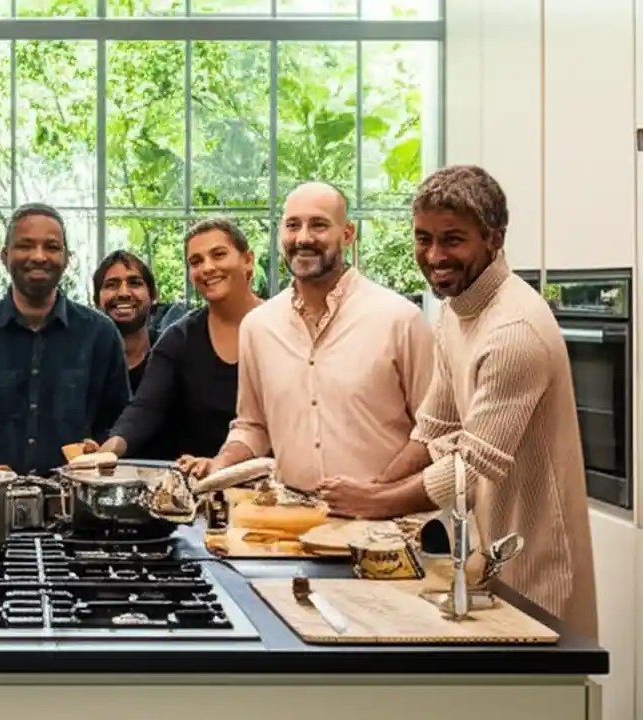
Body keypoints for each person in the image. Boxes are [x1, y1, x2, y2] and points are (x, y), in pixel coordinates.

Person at [317, 165, 598, 641]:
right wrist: (365, 497)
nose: (434, 256)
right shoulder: (456, 311)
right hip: (492, 557)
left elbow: (469, 465)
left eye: (452, 240)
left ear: (494, 238)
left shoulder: (514, 331)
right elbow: (432, 428)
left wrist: (377, 504)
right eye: (423, 239)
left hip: (541, 568)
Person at [181, 182, 434, 490]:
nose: (303, 238)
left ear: (347, 234)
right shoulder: (259, 327)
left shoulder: (399, 319)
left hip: (388, 526)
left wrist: (377, 494)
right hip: (292, 521)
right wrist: (220, 466)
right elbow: (253, 427)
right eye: (292, 226)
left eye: (318, 225)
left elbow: (433, 432)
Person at [0, 203, 130, 475]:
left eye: (51, 247)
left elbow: (117, 424)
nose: (39, 256)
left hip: (74, 503)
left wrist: (99, 450)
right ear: (4, 256)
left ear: (67, 258)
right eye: (25, 245)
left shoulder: (100, 335)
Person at [98, 217, 262, 461]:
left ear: (248, 260)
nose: (207, 268)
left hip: (276, 483)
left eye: (218, 255)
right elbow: (145, 408)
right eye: (196, 261)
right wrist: (109, 450)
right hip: (200, 484)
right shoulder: (179, 338)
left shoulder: (283, 327)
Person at [93, 250, 158, 393]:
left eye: (134, 283)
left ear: (153, 295)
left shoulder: (171, 355)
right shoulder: (81, 360)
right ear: (97, 300)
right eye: (112, 285)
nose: (124, 293)